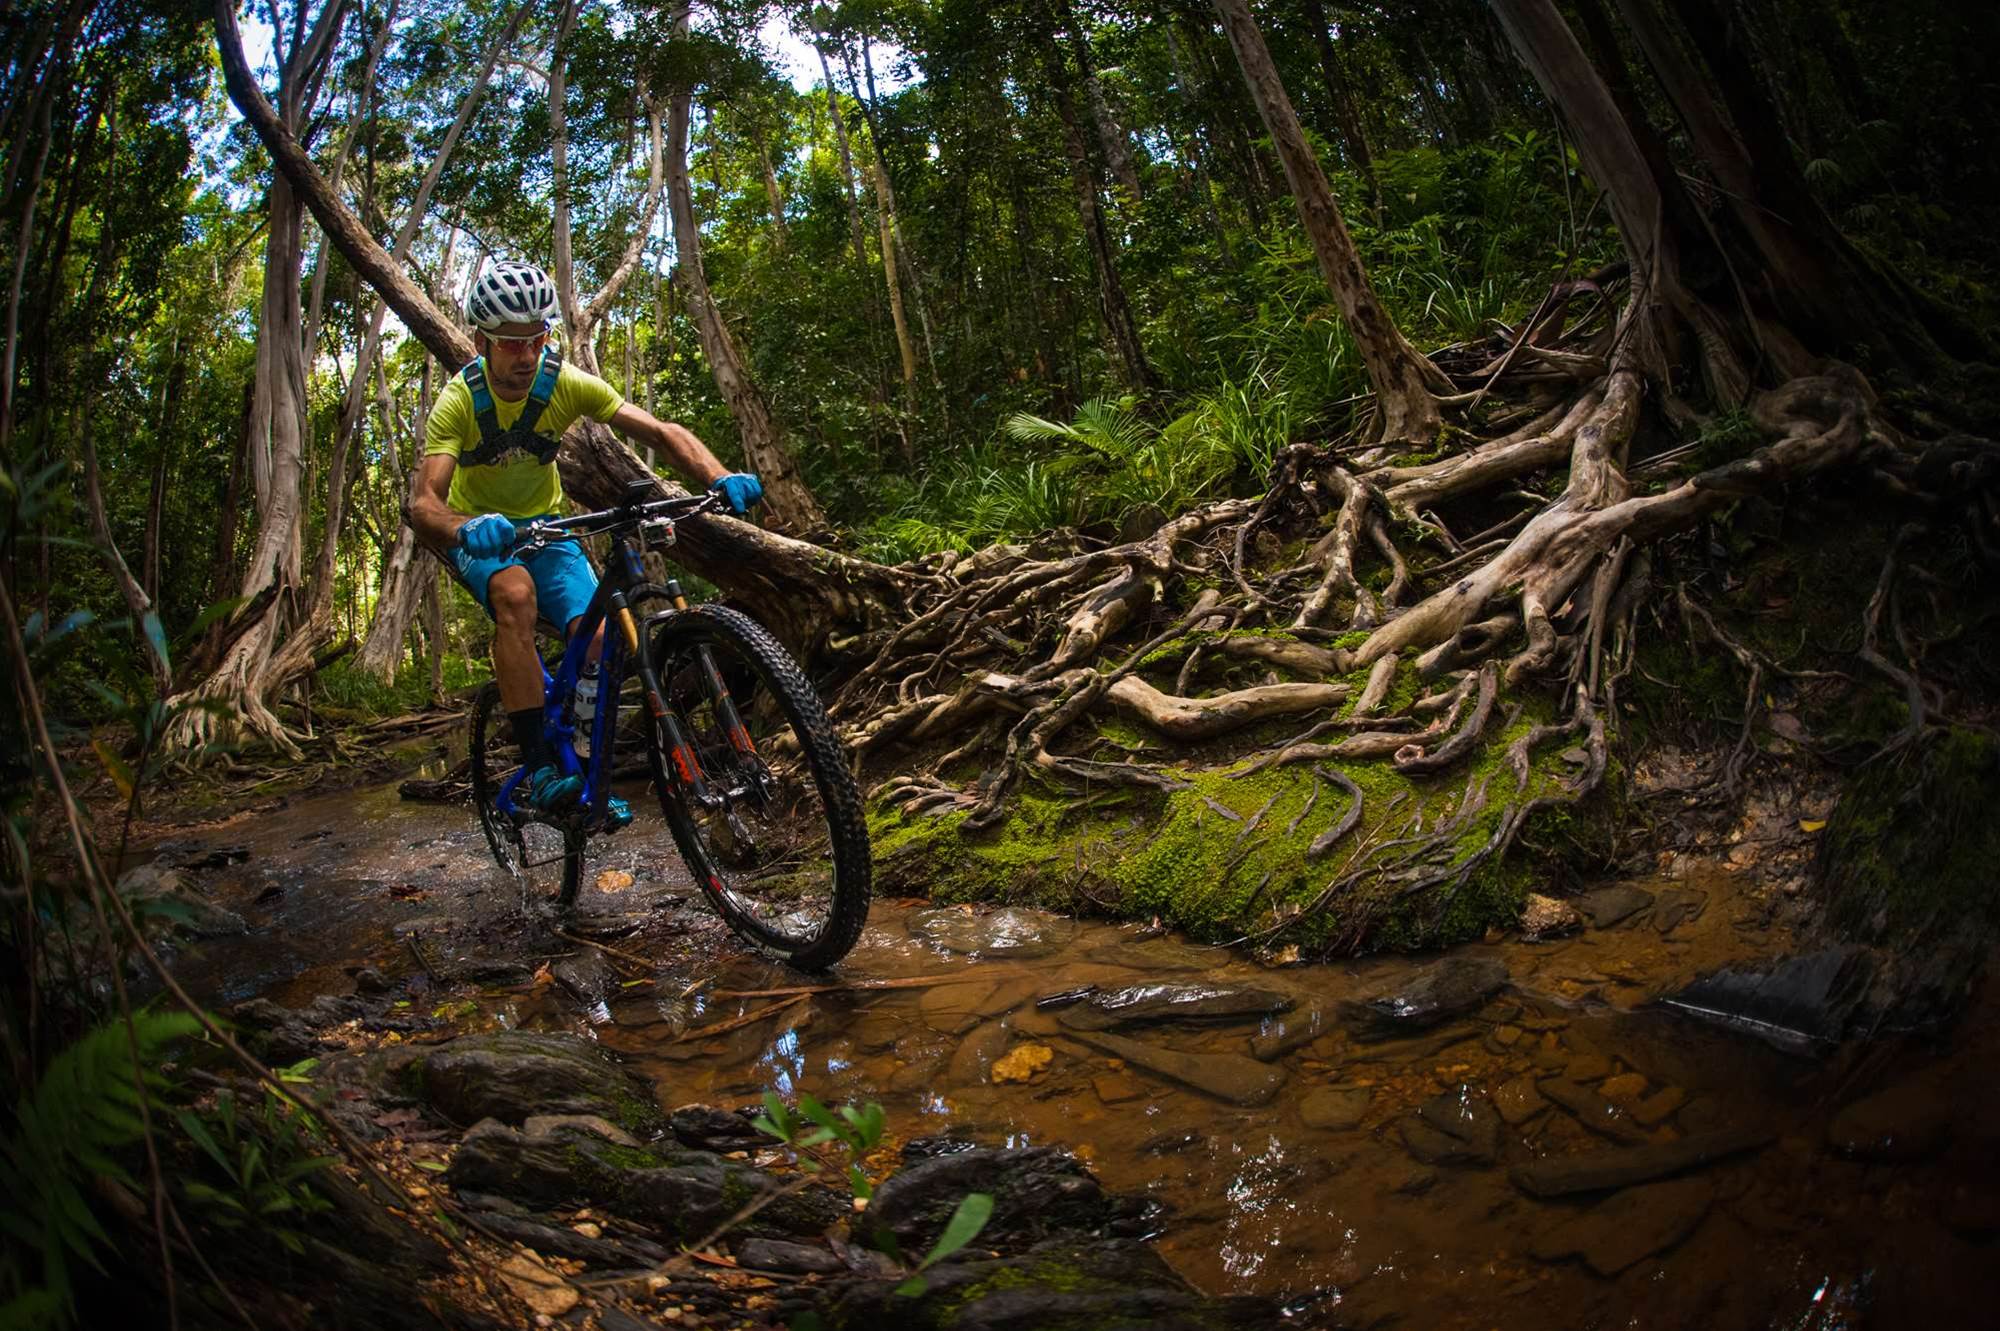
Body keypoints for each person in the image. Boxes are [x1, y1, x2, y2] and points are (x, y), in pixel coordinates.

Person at [411, 259, 763, 819]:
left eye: (537, 339)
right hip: (488, 539)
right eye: (509, 344)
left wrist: (717, 475)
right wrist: (466, 527)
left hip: (551, 532)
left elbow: (660, 431)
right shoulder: (460, 400)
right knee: (516, 597)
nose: (526, 356)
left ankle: (582, 761)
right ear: (481, 340)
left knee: (601, 640)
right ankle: (539, 765)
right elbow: (424, 503)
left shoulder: (563, 382)